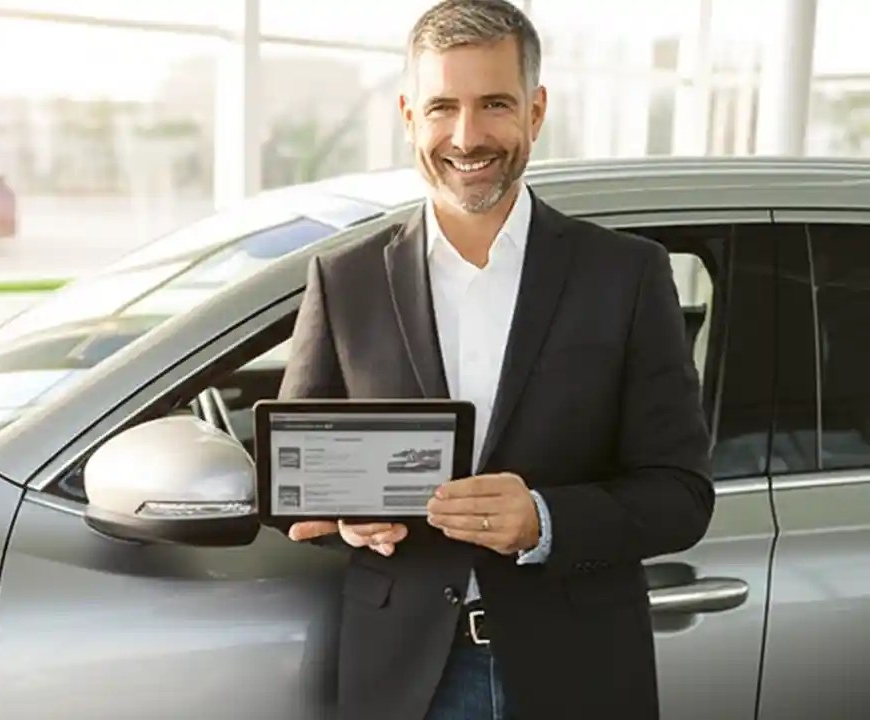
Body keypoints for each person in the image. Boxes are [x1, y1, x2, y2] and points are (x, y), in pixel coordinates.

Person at [277, 1, 715, 718]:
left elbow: (680, 495)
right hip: (406, 678)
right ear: (409, 115)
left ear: (536, 112)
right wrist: (349, 516)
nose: (467, 135)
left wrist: (546, 520)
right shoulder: (345, 279)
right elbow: (300, 474)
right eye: (442, 106)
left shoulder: (626, 275)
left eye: (495, 104)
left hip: (578, 670)